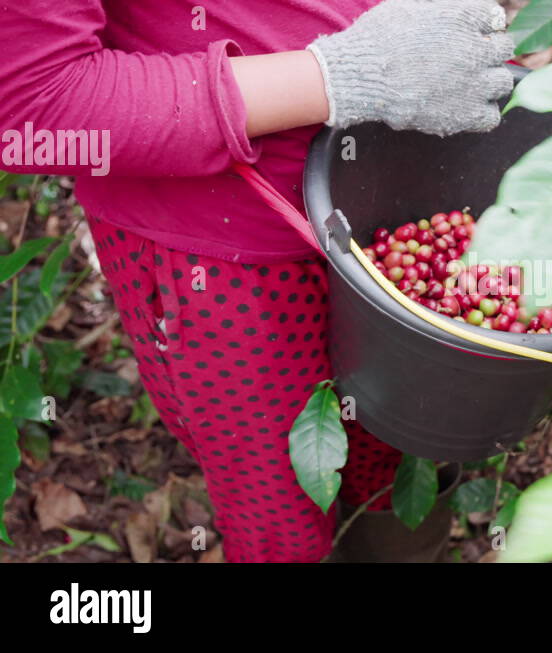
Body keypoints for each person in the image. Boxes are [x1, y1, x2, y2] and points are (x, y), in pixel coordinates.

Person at [0, 0, 514, 563]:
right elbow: (30, 113)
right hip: (223, 253)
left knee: (400, 435)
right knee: (277, 495)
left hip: (396, 177)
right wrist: (340, 75)